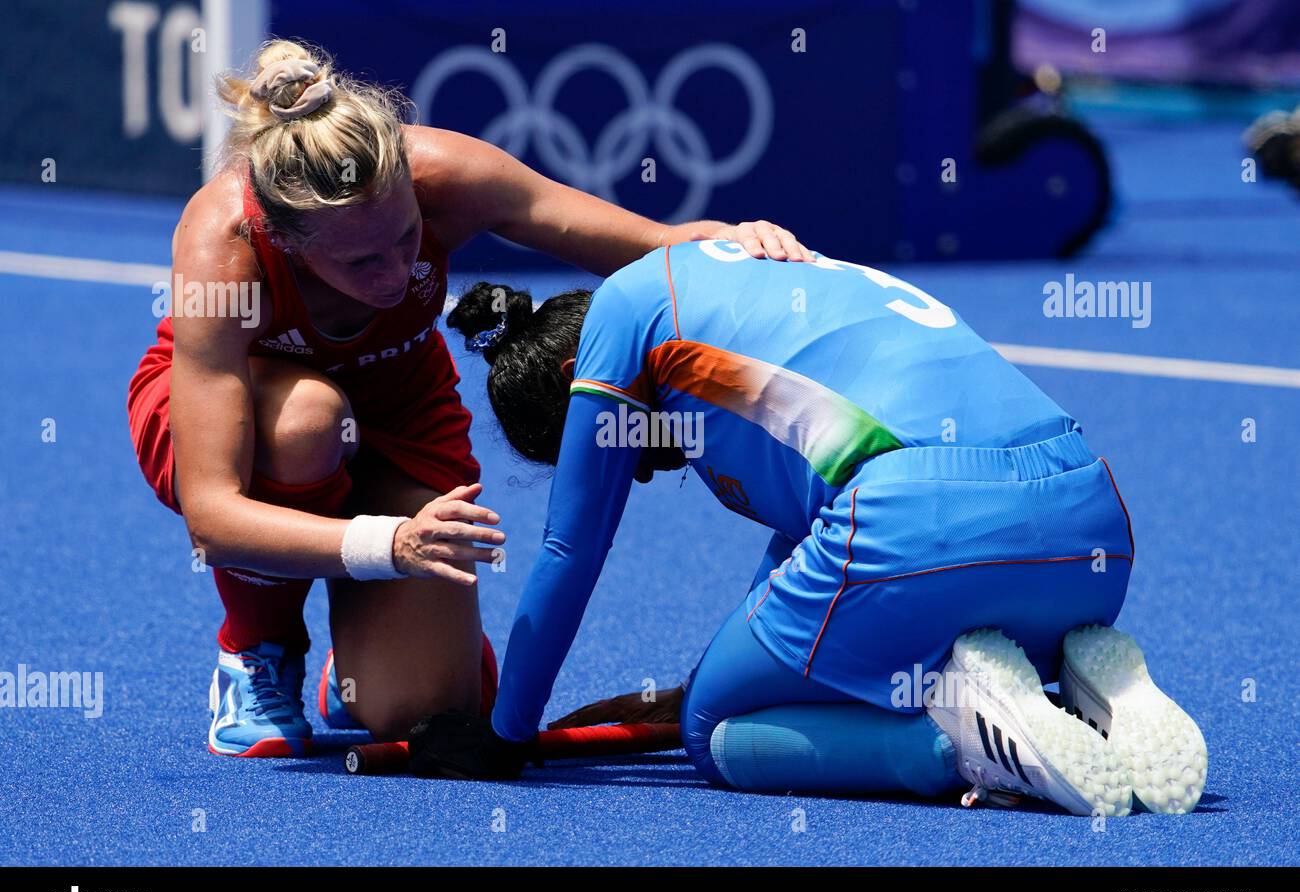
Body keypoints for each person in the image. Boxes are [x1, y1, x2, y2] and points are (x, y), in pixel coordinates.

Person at [126, 39, 810, 757]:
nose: (396, 272)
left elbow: (661, 247)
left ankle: (358, 670)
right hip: (252, 424)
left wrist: (741, 252)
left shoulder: (445, 175)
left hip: (401, 413)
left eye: (405, 237)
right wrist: (390, 542)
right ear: (290, 242)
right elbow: (215, 517)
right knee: (307, 421)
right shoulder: (224, 246)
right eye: (361, 260)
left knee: (427, 712)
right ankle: (257, 653)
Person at [415, 239, 1207, 816]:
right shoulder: (766, 272)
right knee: (860, 616)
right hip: (1089, 535)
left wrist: (506, 732)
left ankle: (959, 743)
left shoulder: (619, 314)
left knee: (715, 729)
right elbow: (804, 554)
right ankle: (1076, 687)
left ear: (572, 380)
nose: (644, 472)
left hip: (922, 535)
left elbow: (570, 547)